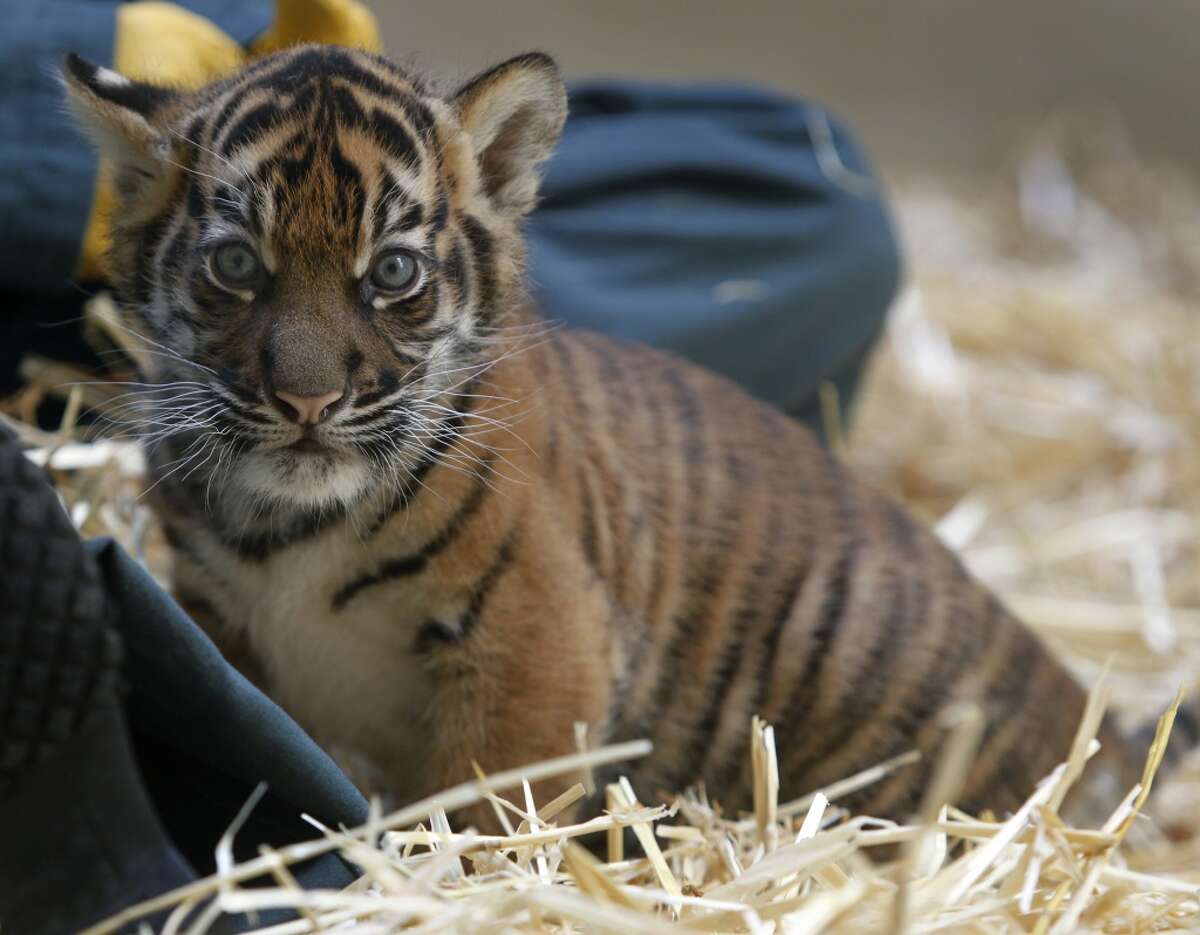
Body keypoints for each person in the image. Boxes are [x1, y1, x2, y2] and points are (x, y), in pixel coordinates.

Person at [0, 2, 902, 931]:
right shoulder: (180, 431)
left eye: (392, 279)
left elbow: (539, 671)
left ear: (500, 174)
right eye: (233, 268)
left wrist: (456, 898)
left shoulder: (477, 438)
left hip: (863, 785)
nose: (307, 383)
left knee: (810, 177)